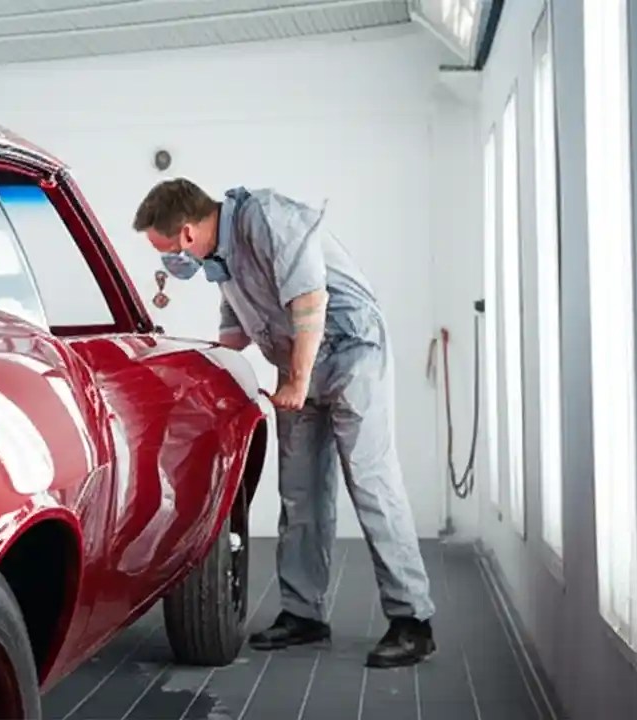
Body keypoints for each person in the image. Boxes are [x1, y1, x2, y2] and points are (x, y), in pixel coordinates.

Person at [132, 178, 436, 668]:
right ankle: (304, 615)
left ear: (186, 234)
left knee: (372, 483)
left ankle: (412, 621)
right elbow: (233, 334)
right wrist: (182, 373)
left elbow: (310, 299)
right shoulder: (221, 261)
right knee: (300, 491)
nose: (168, 263)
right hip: (298, 362)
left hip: (352, 351)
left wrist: (295, 382)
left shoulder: (268, 219)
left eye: (165, 250)